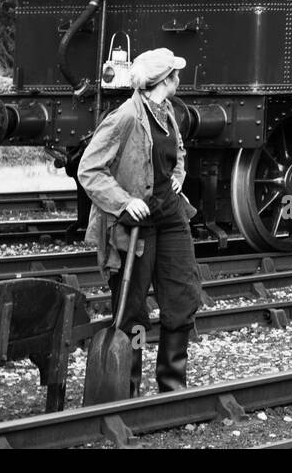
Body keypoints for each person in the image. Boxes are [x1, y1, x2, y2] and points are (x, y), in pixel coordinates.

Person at [77, 47, 202, 395]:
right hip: (138, 224)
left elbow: (177, 152)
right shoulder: (126, 117)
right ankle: (127, 386)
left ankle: (171, 386)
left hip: (172, 217)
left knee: (181, 297)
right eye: (175, 73)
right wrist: (124, 201)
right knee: (131, 308)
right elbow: (89, 169)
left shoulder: (167, 111)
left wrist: (179, 173)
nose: (179, 78)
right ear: (165, 79)